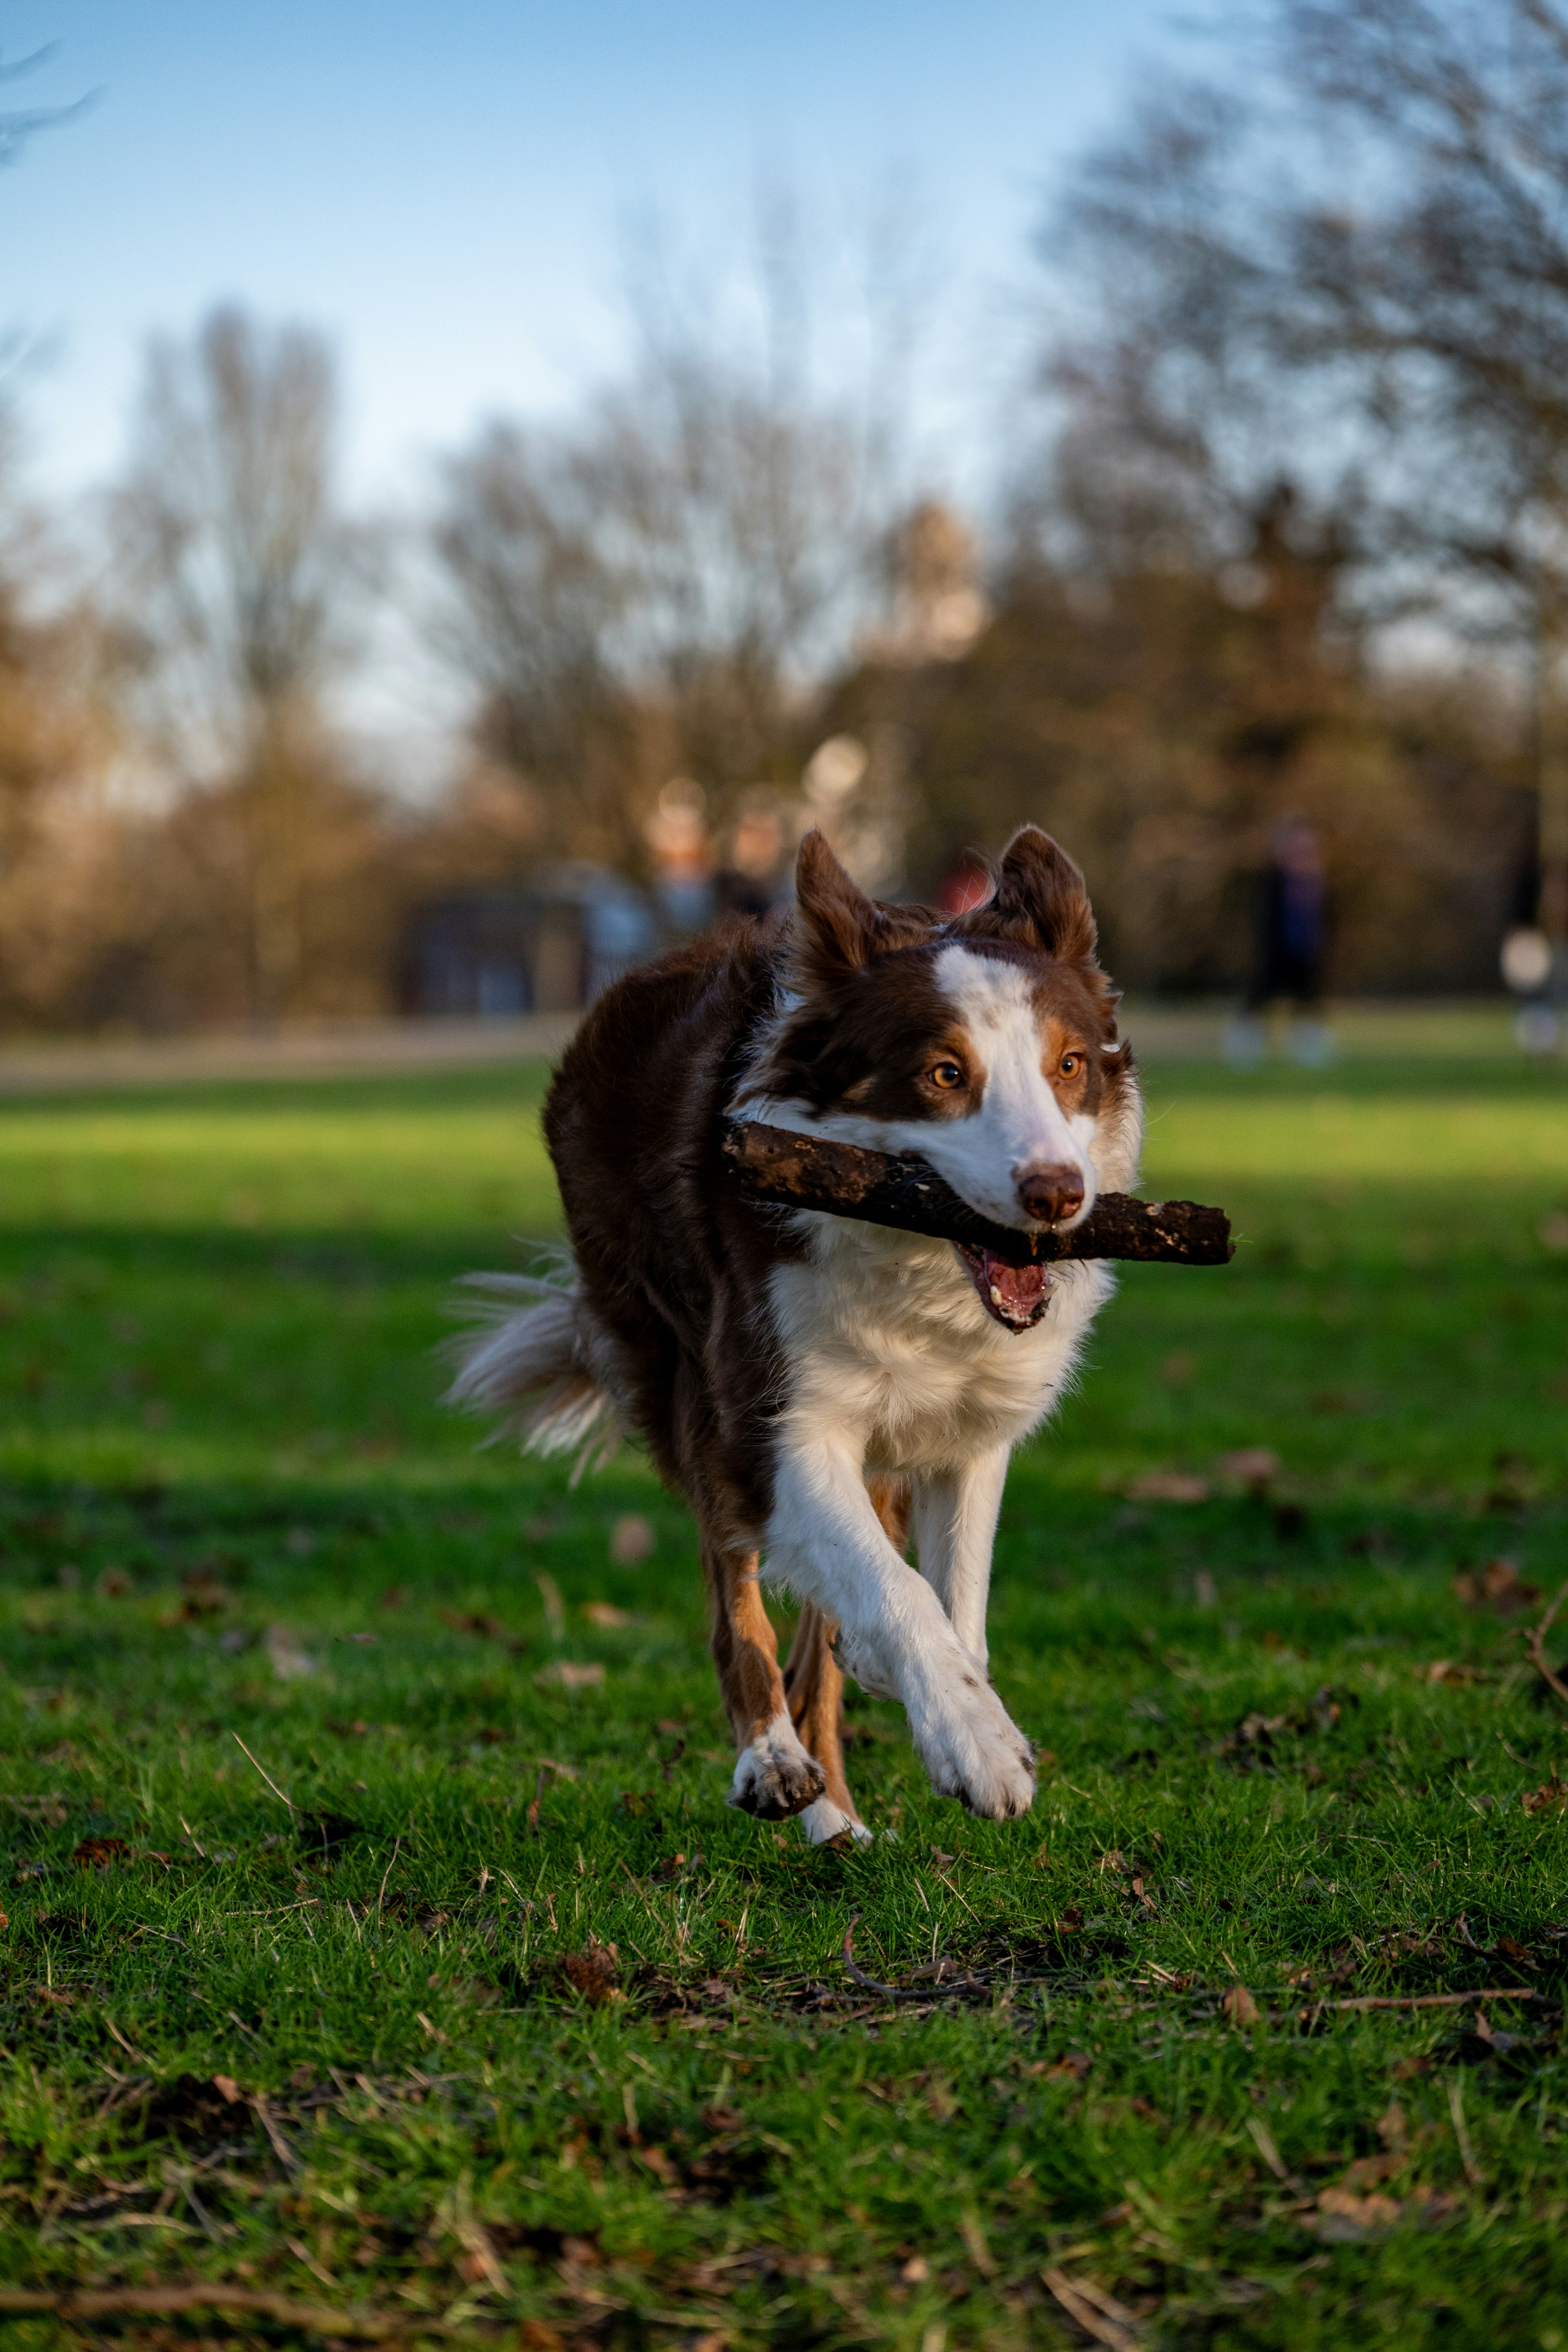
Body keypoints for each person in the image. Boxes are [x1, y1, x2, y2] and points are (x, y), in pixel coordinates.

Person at [1225, 816, 1335, 1066]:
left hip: (1306, 952)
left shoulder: (1315, 881)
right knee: (1258, 1001)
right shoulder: (1272, 880)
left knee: (1308, 1003)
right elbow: (1264, 920)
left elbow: (1325, 919)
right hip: (1275, 953)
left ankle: (1311, 1053)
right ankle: (1243, 1050)